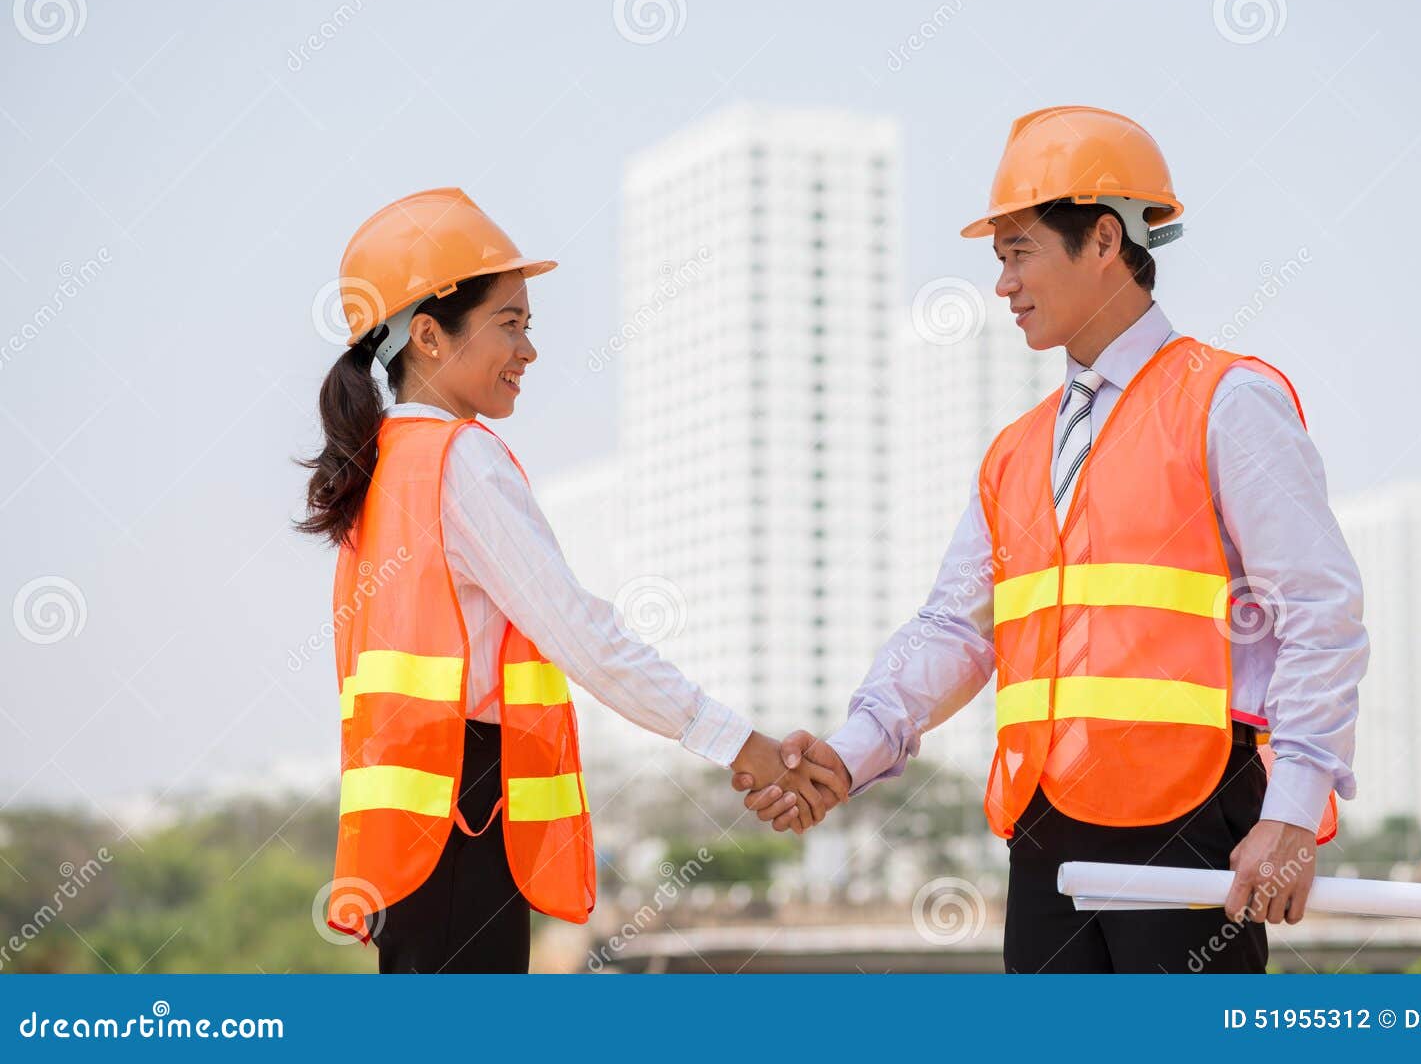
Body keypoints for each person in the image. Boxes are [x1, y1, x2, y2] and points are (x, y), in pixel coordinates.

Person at [738, 108, 1367, 973]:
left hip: (1186, 823)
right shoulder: (1017, 451)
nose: (1003, 285)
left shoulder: (1225, 402)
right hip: (1044, 832)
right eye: (999, 259)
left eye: (1019, 252)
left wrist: (1291, 812)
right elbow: (955, 629)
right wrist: (848, 756)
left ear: (1104, 238)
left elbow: (1320, 610)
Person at [298, 187, 845, 973]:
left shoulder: (382, 464)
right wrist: (738, 741)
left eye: (529, 326)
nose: (528, 350)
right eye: (509, 324)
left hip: (406, 832)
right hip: (467, 816)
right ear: (428, 336)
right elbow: (583, 636)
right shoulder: (460, 460)